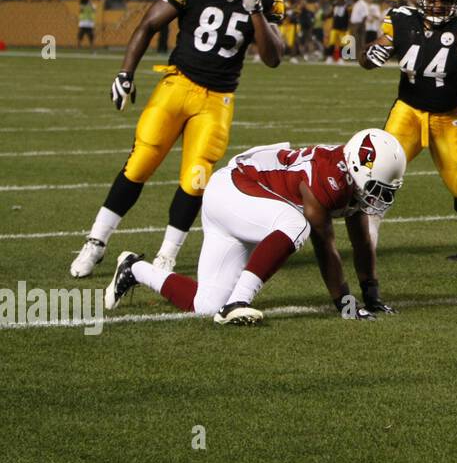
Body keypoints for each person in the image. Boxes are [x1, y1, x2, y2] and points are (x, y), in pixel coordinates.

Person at [71, 0, 285, 279]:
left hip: (217, 100)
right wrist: (125, 73)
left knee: (196, 179)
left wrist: (256, 10)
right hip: (177, 85)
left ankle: (167, 254)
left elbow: (273, 58)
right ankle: (96, 241)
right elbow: (149, 24)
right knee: (140, 163)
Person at [105, 130, 405, 325]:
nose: (378, 197)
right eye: (375, 187)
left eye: (384, 190)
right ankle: (238, 302)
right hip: (233, 190)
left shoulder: (350, 182)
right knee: (296, 224)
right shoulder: (329, 179)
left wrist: (372, 295)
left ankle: (134, 269)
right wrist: (345, 304)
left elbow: (361, 242)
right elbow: (324, 247)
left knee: (206, 304)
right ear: (354, 169)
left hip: (249, 204)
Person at [360, 0, 457, 257]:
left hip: (447, 116)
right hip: (408, 112)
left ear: (455, 1)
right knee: (380, 170)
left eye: (445, 0)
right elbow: (369, 55)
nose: (438, 6)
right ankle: (368, 233)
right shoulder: (400, 19)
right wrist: (369, 55)